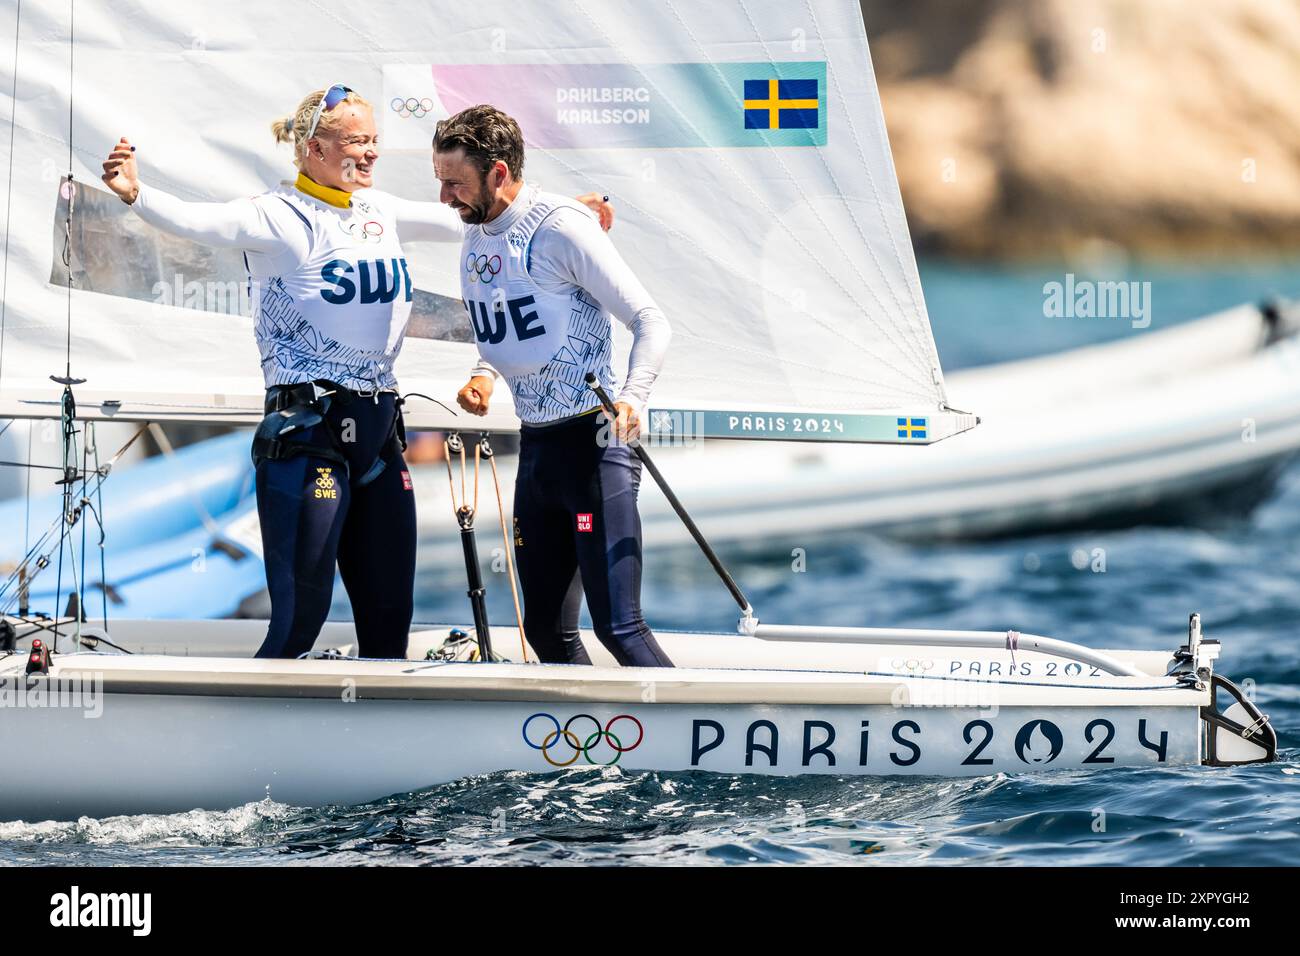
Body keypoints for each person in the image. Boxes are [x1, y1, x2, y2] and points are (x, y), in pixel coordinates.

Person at [100, 86, 612, 660]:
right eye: (357, 142)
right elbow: (203, 223)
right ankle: (254, 731)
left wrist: (567, 209)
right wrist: (136, 194)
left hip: (378, 433)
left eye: (374, 141)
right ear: (315, 148)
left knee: (389, 627)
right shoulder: (278, 215)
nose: (371, 154)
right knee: (298, 625)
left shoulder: (380, 209)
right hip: (309, 437)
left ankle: (370, 736)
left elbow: (478, 211)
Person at [435, 104, 674, 668]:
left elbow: (650, 320)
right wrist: (483, 373)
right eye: (440, 182)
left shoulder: (563, 228)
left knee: (619, 627)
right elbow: (513, 323)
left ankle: (675, 736)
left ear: (497, 172)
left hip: (593, 448)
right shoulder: (478, 228)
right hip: (538, 449)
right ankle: (588, 753)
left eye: (455, 183)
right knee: (543, 630)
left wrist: (632, 397)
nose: (445, 198)